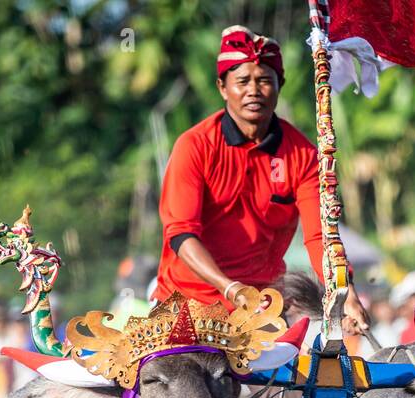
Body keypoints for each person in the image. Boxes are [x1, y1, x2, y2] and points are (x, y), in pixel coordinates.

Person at [154, 24, 369, 332]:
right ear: (222, 87)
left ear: (279, 85)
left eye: (265, 80)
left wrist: (346, 295)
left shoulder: (304, 155)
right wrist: (230, 288)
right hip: (186, 306)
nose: (253, 90)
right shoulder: (195, 145)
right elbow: (180, 234)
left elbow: (318, 238)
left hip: (262, 308)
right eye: (242, 81)